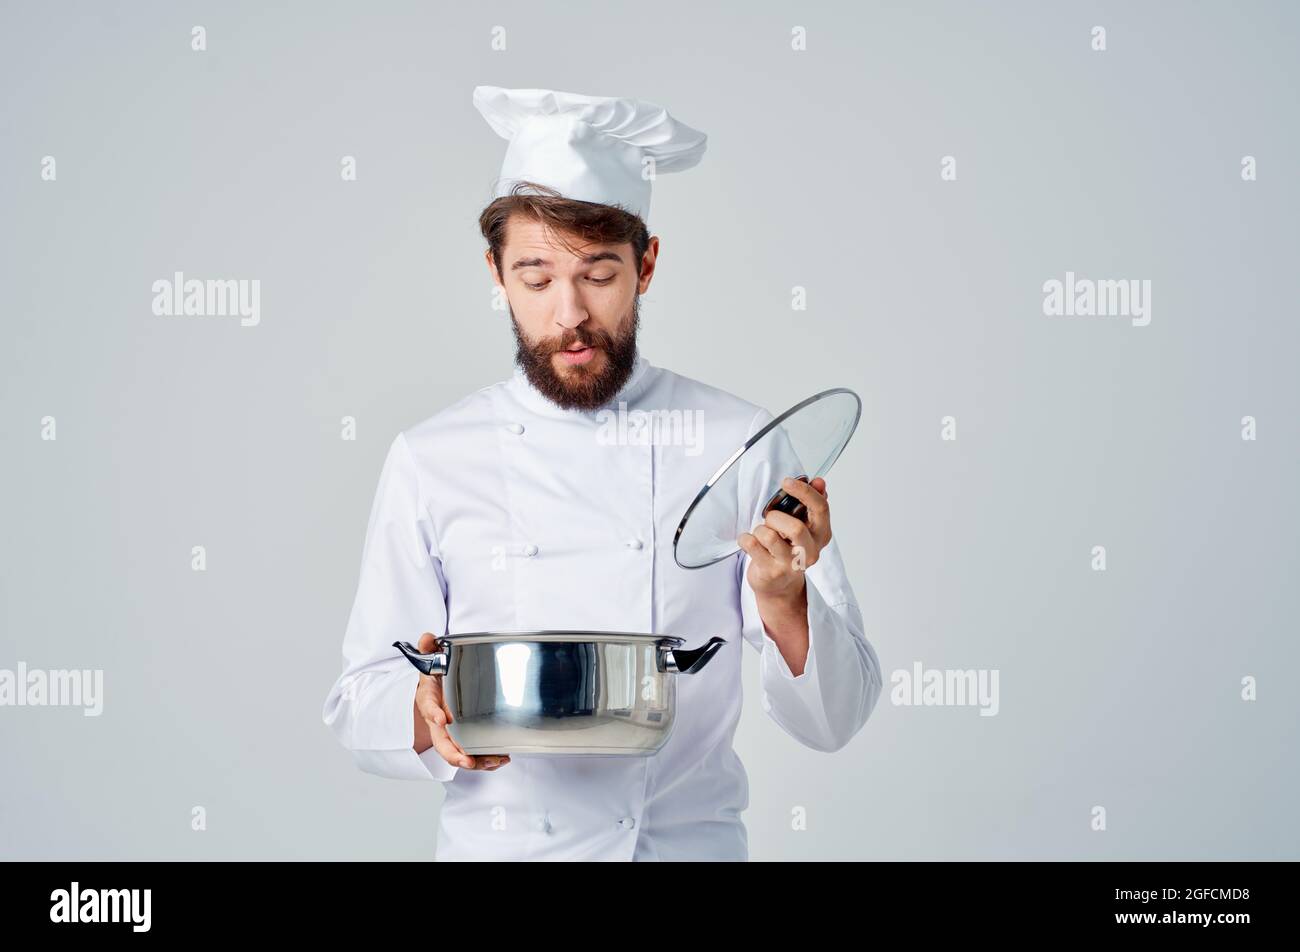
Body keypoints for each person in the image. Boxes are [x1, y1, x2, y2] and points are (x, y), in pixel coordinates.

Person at [322, 85, 883, 861]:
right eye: (536, 277)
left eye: (598, 273)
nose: (569, 315)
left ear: (646, 264)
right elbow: (358, 702)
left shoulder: (739, 442)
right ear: (495, 273)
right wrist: (426, 708)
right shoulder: (433, 458)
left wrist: (783, 600)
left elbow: (835, 721)